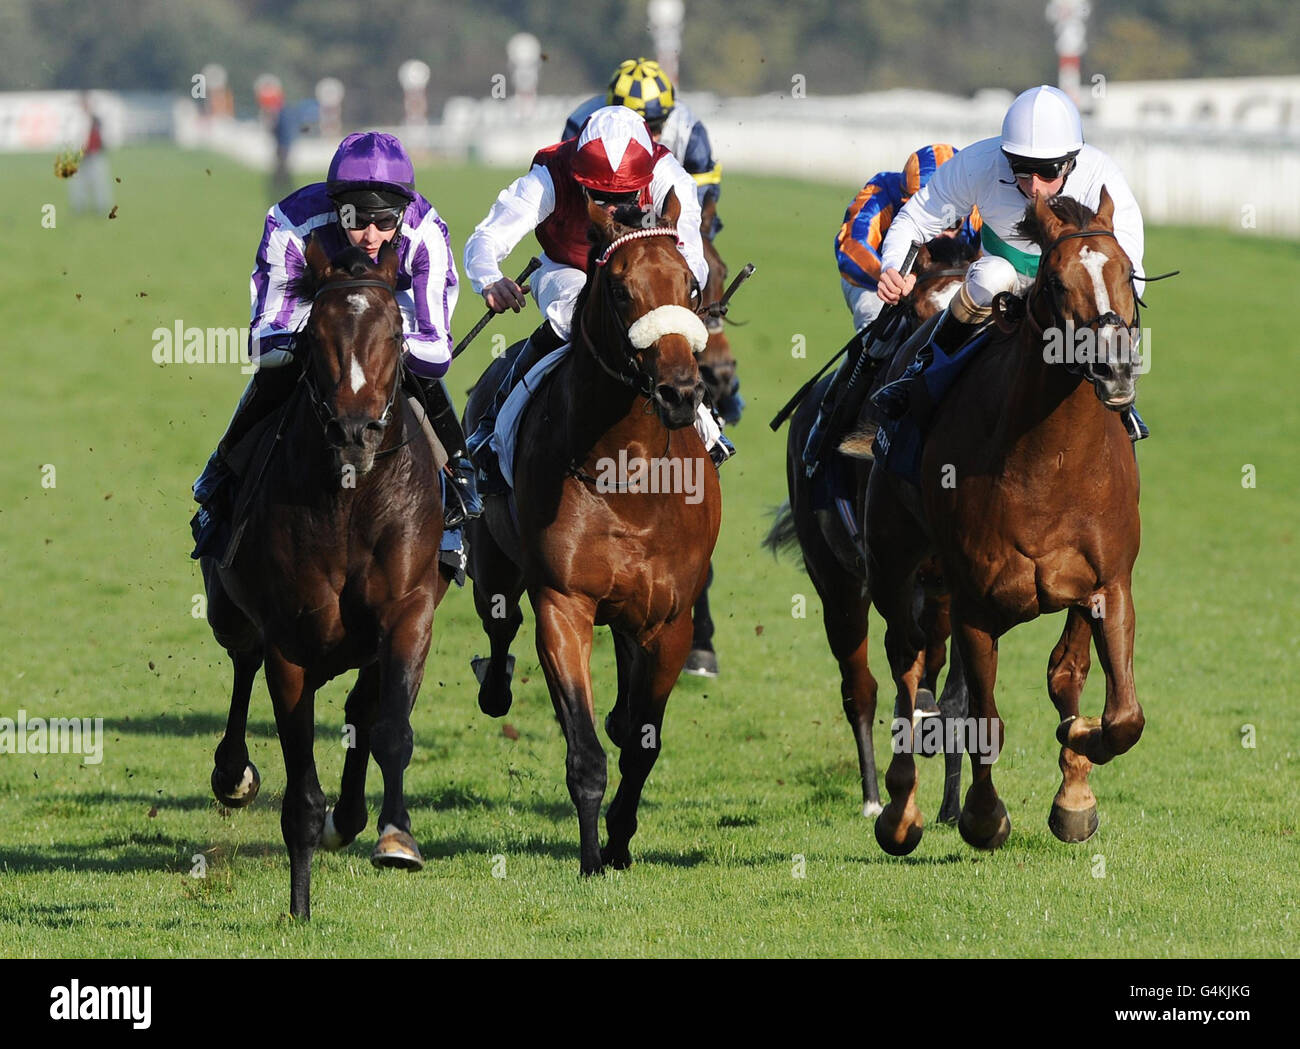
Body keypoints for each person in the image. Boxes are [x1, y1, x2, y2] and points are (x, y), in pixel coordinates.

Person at [191, 131, 474, 558]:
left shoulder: (426, 232)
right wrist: (332, 341)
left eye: (385, 221)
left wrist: (379, 345)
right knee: (278, 370)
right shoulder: (292, 222)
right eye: (357, 220)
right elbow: (266, 337)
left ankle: (459, 476)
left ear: (404, 212)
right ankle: (223, 469)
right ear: (335, 208)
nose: (372, 235)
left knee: (408, 372)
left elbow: (435, 350)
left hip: (390, 311)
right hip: (314, 308)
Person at [463, 105, 724, 482]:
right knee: (573, 315)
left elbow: (690, 259)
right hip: (568, 267)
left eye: (627, 198)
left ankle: (703, 419)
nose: (613, 211)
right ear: (579, 176)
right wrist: (490, 278)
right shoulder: (550, 175)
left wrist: (674, 295)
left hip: (639, 273)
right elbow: (487, 237)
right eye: (599, 197)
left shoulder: (666, 172)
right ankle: (493, 422)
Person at [873, 85, 1148, 438]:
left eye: (1048, 171)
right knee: (992, 275)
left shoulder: (1101, 176)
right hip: (1003, 285)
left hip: (1073, 294)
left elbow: (1128, 271)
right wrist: (894, 267)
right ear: (1006, 157)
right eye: (1021, 169)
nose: (1034, 186)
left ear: (1070, 162)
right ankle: (920, 370)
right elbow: (914, 220)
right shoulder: (978, 164)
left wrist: (1113, 340)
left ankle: (1123, 392)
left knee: (1112, 293)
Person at [802, 144, 979, 477]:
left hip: (944, 280)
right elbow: (851, 247)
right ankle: (828, 427)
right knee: (880, 329)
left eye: (950, 218)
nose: (939, 230)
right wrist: (888, 277)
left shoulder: (977, 200)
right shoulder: (880, 190)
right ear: (905, 199)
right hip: (876, 280)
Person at [564, 58, 723, 238]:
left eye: (653, 127)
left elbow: (701, 201)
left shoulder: (691, 132)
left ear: (668, 115)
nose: (647, 137)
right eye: (635, 129)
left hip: (664, 212)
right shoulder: (579, 125)